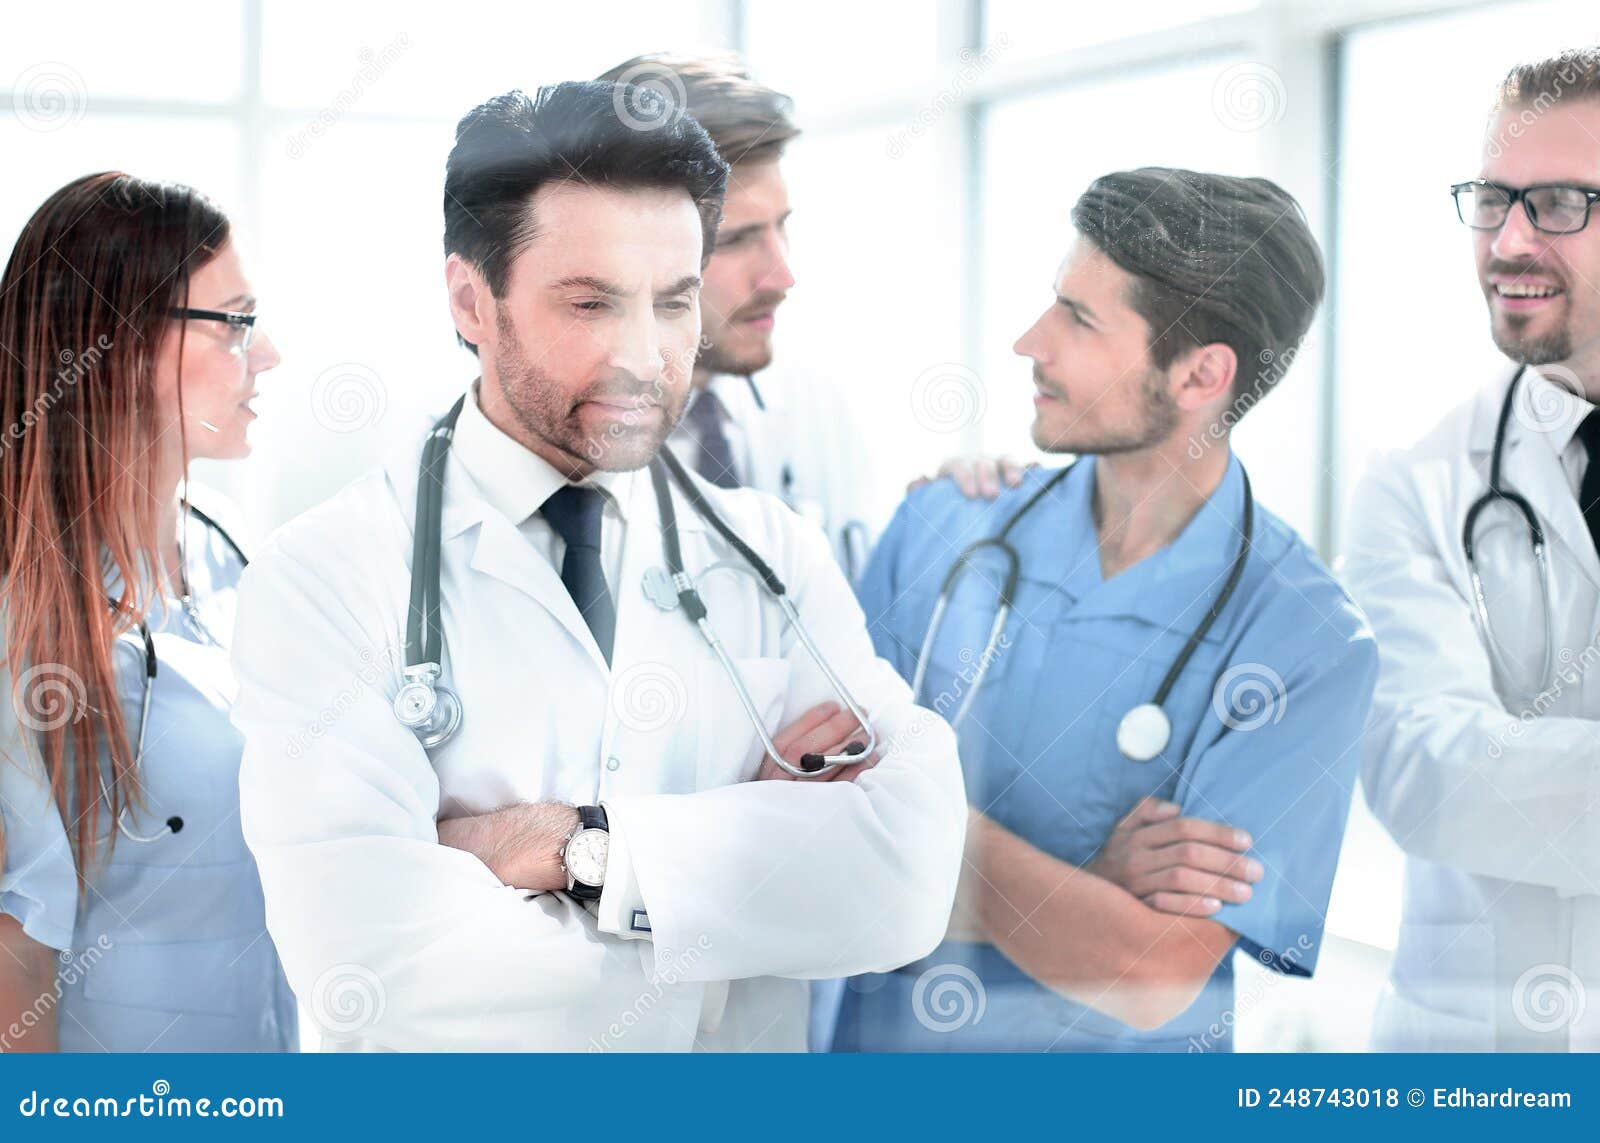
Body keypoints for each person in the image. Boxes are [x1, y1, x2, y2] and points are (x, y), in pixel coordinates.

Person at [229, 81, 965, 1052]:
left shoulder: (770, 553)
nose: (646, 357)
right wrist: (737, 893)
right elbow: (371, 969)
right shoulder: (320, 579)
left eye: (674, 303)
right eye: (592, 304)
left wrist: (563, 851)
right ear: (470, 301)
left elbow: (905, 880)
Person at [820, 168, 1378, 1052]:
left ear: (1201, 374)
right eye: (1054, 303)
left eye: (1079, 320)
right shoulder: (944, 525)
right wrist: (1084, 885)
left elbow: (1151, 975)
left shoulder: (1306, 641)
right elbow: (810, 817)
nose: (1027, 342)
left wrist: (911, 823)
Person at [0, 173, 295, 1051]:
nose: (268, 351)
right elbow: (15, 946)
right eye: (236, 321)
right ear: (119, 347)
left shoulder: (225, 544)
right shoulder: (23, 614)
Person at [1343, 48, 1600, 1052]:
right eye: (1492, 200)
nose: (1509, 240)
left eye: (1560, 204)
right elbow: (1421, 775)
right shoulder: (1416, 479)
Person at [597, 53, 877, 575]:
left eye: (780, 226)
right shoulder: (564, 434)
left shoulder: (816, 408)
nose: (781, 277)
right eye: (736, 240)